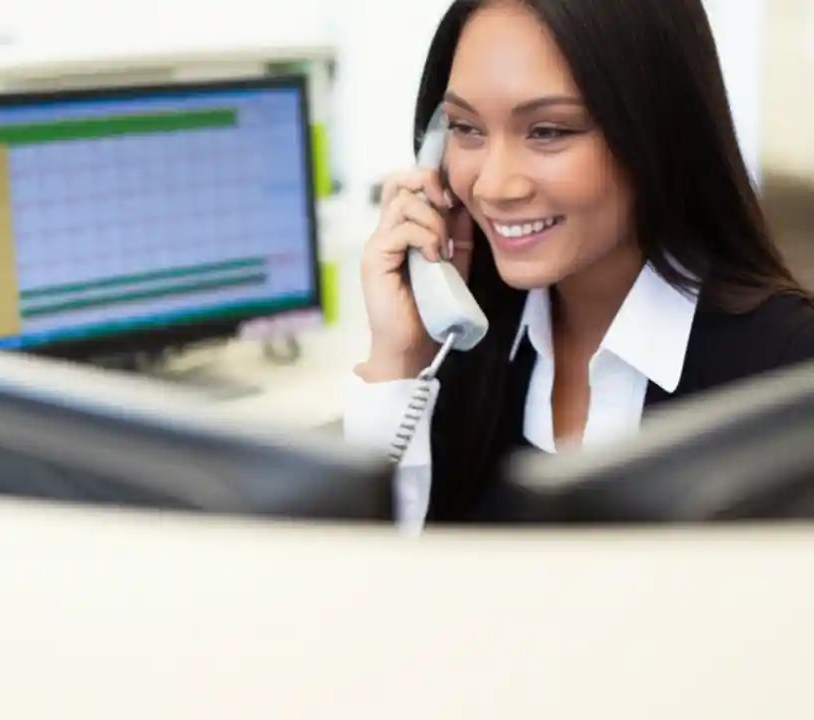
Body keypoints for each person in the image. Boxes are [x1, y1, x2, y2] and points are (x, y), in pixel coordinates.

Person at [344, 0, 814, 528]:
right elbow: (365, 594)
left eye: (548, 131)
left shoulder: (789, 376)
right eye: (466, 128)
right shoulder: (465, 346)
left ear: (656, 133)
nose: (494, 186)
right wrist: (398, 363)